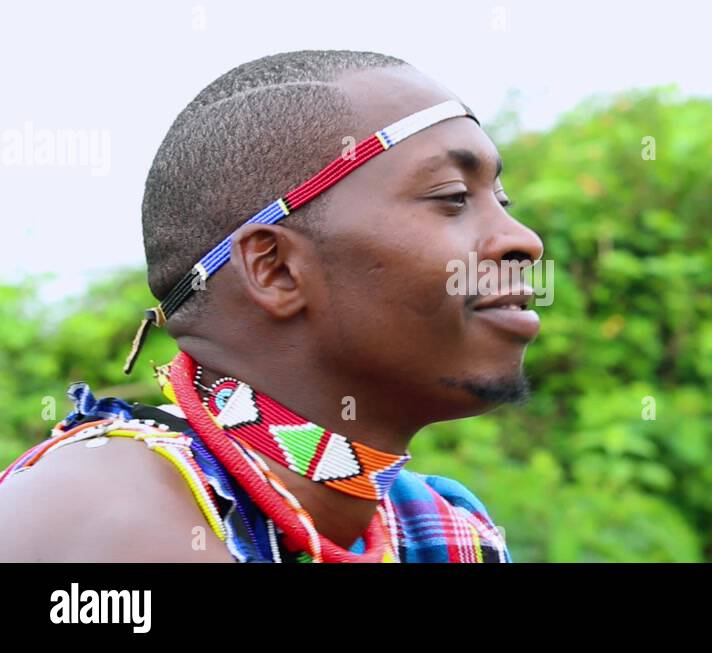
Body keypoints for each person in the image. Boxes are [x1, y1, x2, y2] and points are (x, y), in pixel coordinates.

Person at [0, 50, 544, 563]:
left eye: (501, 201)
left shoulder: (444, 533)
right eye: (452, 197)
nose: (523, 241)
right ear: (276, 268)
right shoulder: (103, 515)